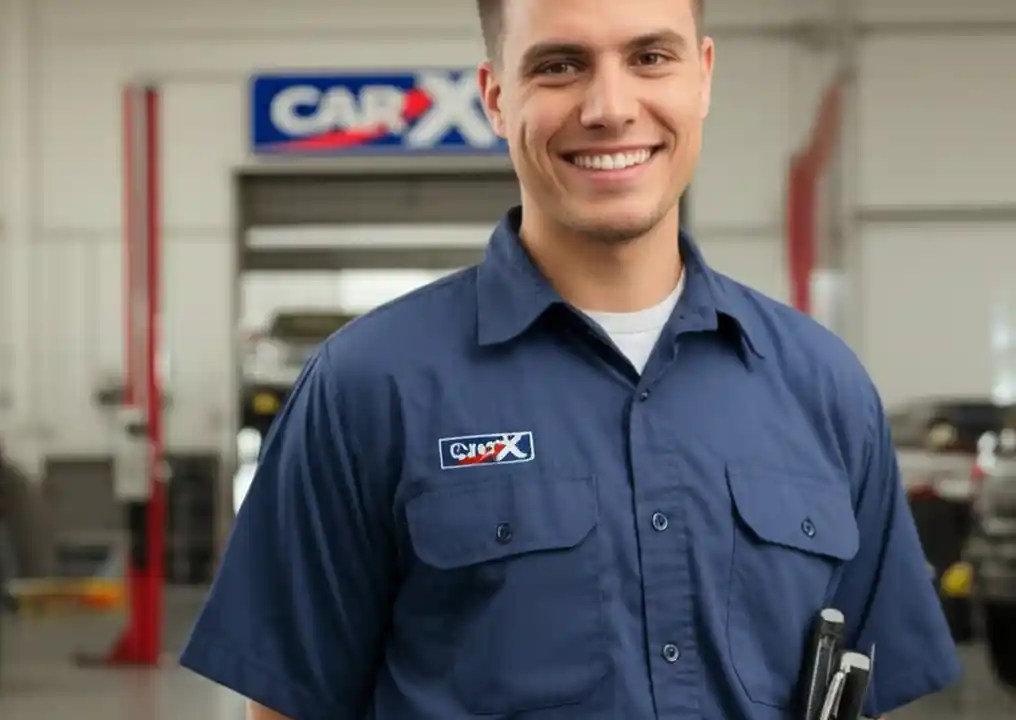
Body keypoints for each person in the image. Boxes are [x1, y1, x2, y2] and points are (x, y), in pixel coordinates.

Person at [179, 0, 963, 717]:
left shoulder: (823, 388)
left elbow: (867, 679)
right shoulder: (365, 388)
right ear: (494, 96)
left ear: (704, 78)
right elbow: (290, 702)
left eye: (651, 58)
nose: (611, 108)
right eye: (560, 65)